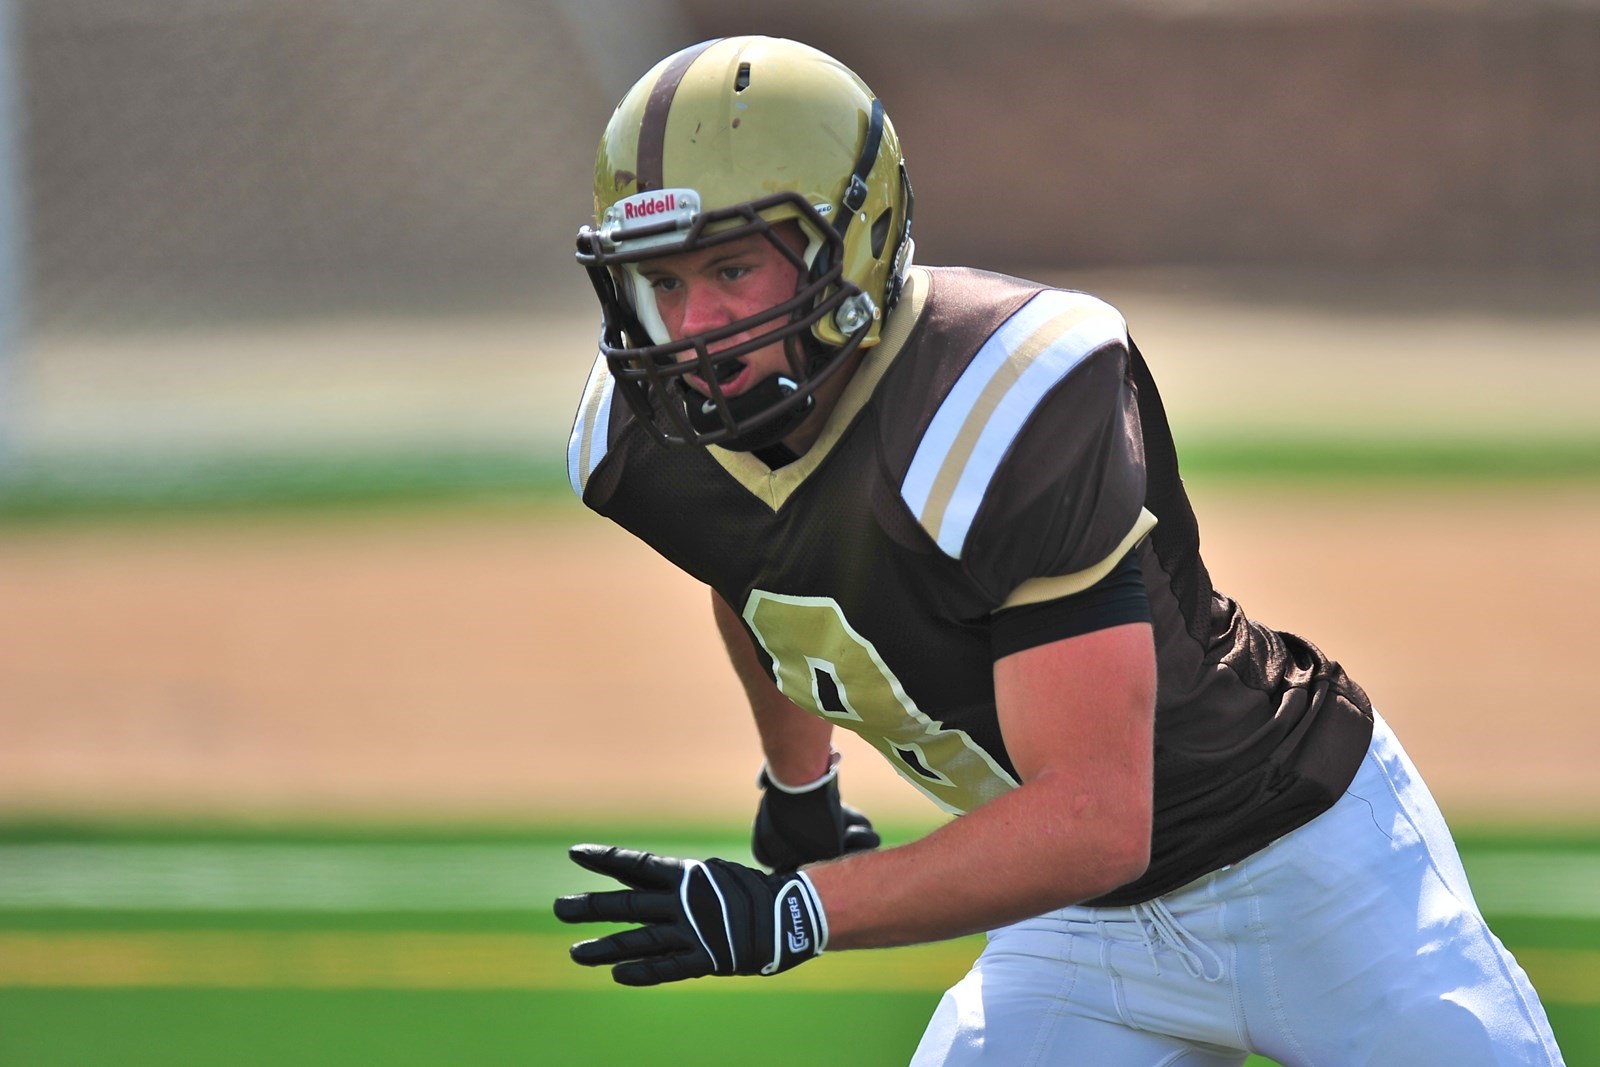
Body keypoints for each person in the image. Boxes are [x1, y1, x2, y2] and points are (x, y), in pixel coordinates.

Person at [553, 35, 1564, 1066]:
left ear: (851, 242)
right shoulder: (650, 443)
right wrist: (798, 784)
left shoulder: (998, 396)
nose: (694, 327)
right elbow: (755, 573)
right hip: (1076, 921)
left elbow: (1094, 813)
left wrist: (800, 908)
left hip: (1301, 865)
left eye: (729, 268)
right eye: (662, 283)